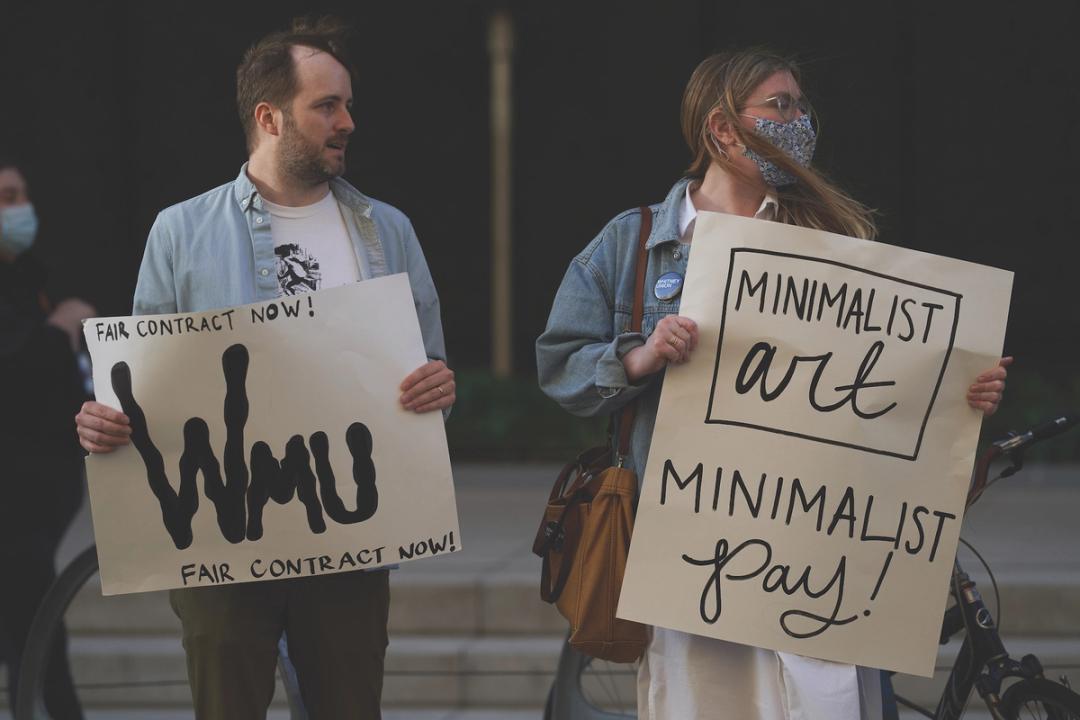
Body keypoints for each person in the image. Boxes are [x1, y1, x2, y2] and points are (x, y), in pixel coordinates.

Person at [535, 48, 1010, 720]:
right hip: (694, 550)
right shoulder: (634, 241)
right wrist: (638, 358)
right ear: (721, 128)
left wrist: (960, 392)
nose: (798, 121)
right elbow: (561, 364)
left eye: (800, 106)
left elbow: (879, 384)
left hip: (815, 550)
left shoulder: (830, 235)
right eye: (778, 106)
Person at [73, 17, 455, 720]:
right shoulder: (181, 231)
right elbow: (141, 384)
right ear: (268, 116)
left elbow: (428, 367)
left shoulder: (387, 230)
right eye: (327, 105)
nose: (348, 122)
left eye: (347, 104)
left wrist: (436, 385)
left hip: (350, 537)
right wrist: (104, 418)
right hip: (224, 541)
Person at [0, 156, 91, 719]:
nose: (20, 208)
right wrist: (60, 332)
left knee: (30, 628)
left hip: (37, 494)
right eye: (7, 197)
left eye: (21, 195)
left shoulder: (26, 279)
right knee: (36, 630)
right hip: (10, 500)